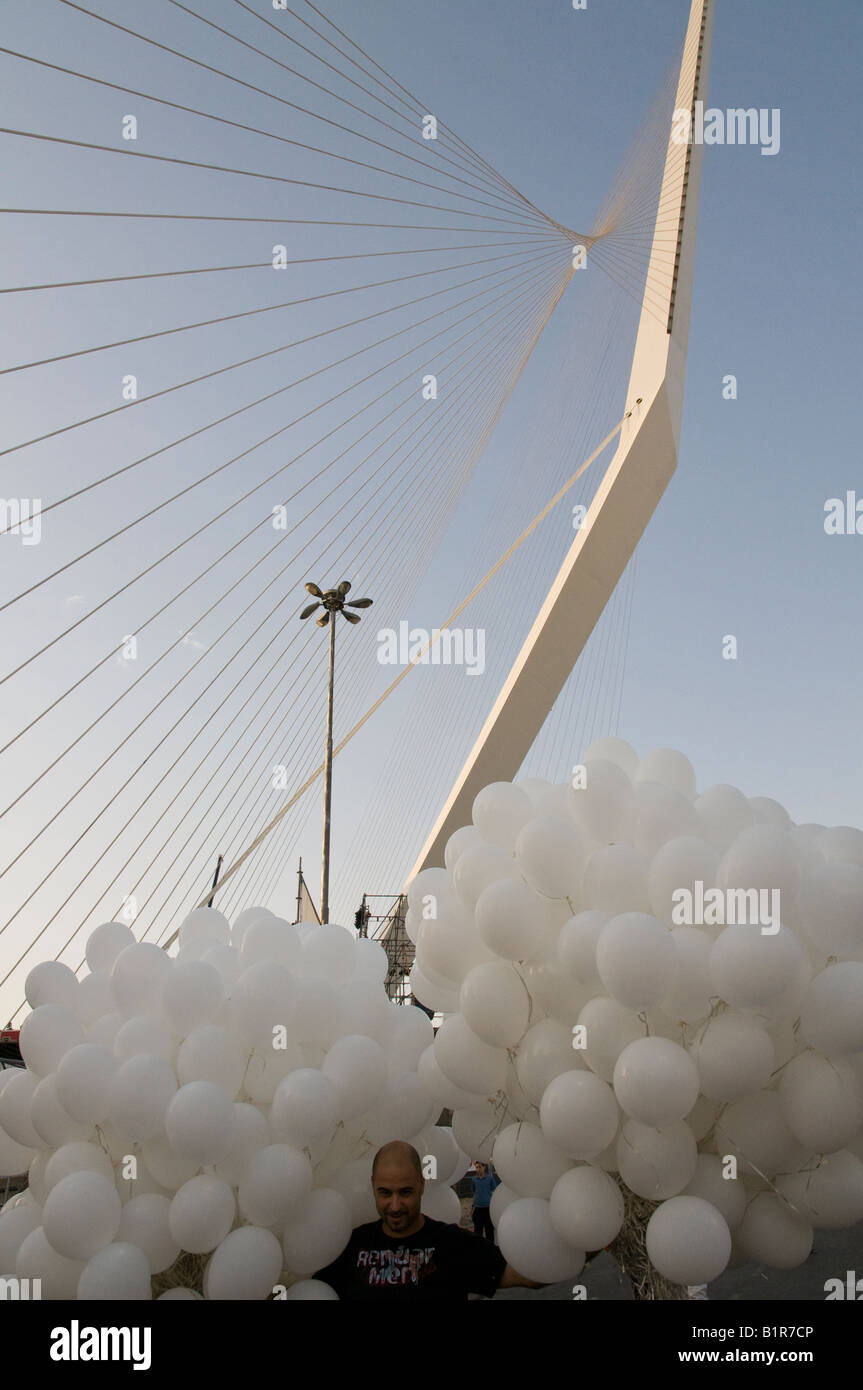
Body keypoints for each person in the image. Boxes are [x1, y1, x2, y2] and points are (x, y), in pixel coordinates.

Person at [313, 1141, 544, 1300]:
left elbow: (528, 1274)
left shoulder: (452, 1243)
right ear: (373, 1186)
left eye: (405, 1192)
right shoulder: (351, 1245)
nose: (395, 1206)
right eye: (385, 1193)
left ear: (421, 1185)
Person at [470, 1161, 499, 1241]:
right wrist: (472, 1207)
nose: (478, 1169)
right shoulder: (473, 1180)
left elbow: (494, 1191)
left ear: (484, 1167)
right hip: (478, 1209)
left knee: (489, 1231)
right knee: (478, 1231)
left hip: (488, 1209)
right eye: (477, 1167)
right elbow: (474, 1193)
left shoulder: (490, 1178)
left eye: (480, 1167)